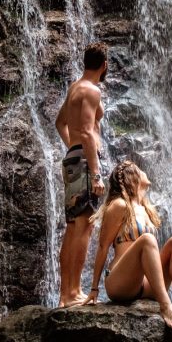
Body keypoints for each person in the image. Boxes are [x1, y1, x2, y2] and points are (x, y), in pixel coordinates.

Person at [85, 159, 172, 334]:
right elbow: (103, 247)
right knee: (148, 239)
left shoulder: (145, 209)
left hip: (148, 284)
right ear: (132, 177)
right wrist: (94, 289)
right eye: (140, 170)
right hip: (121, 283)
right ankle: (165, 306)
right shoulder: (120, 205)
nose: (145, 172)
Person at [55, 41, 109, 307]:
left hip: (73, 159)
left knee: (72, 228)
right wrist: (96, 173)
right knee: (85, 226)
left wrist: (72, 148)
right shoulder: (91, 90)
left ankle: (64, 295)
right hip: (85, 162)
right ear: (104, 65)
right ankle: (75, 292)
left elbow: (60, 123)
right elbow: (87, 131)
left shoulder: (74, 88)